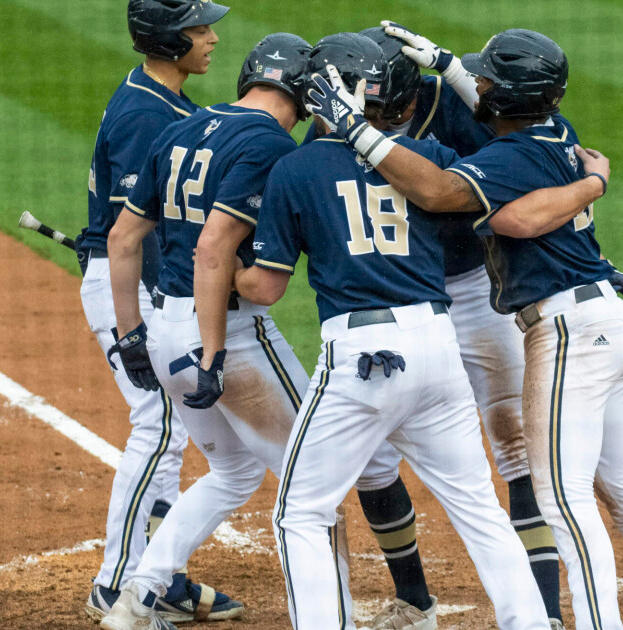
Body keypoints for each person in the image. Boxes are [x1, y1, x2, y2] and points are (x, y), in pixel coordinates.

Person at [306, 28, 623, 630]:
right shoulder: (558, 133)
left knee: (566, 502)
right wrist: (447, 64)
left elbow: (451, 195)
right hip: (606, 317)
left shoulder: (506, 159)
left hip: (568, 332)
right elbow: (507, 148)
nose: (477, 84)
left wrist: (353, 127)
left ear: (507, 95)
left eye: (485, 77)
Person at [236, 32, 550, 630]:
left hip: (361, 358)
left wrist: (216, 262)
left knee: (300, 512)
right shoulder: (430, 160)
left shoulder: (294, 169)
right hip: (438, 348)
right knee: (480, 508)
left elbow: (265, 288)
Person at [101, 33, 413, 630]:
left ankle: (138, 597)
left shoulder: (180, 129)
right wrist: (215, 353)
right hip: (227, 338)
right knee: (315, 490)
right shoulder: (271, 147)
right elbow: (214, 252)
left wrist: (131, 334)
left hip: (163, 330)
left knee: (234, 473)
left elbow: (122, 239)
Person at [76, 0, 236, 622]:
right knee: (160, 426)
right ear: (170, 39)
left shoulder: (159, 100)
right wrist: (132, 327)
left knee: (175, 430)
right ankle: (116, 582)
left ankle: (159, 574)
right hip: (131, 287)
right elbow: (127, 234)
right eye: (199, 29)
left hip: (145, 284)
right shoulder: (147, 114)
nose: (213, 38)